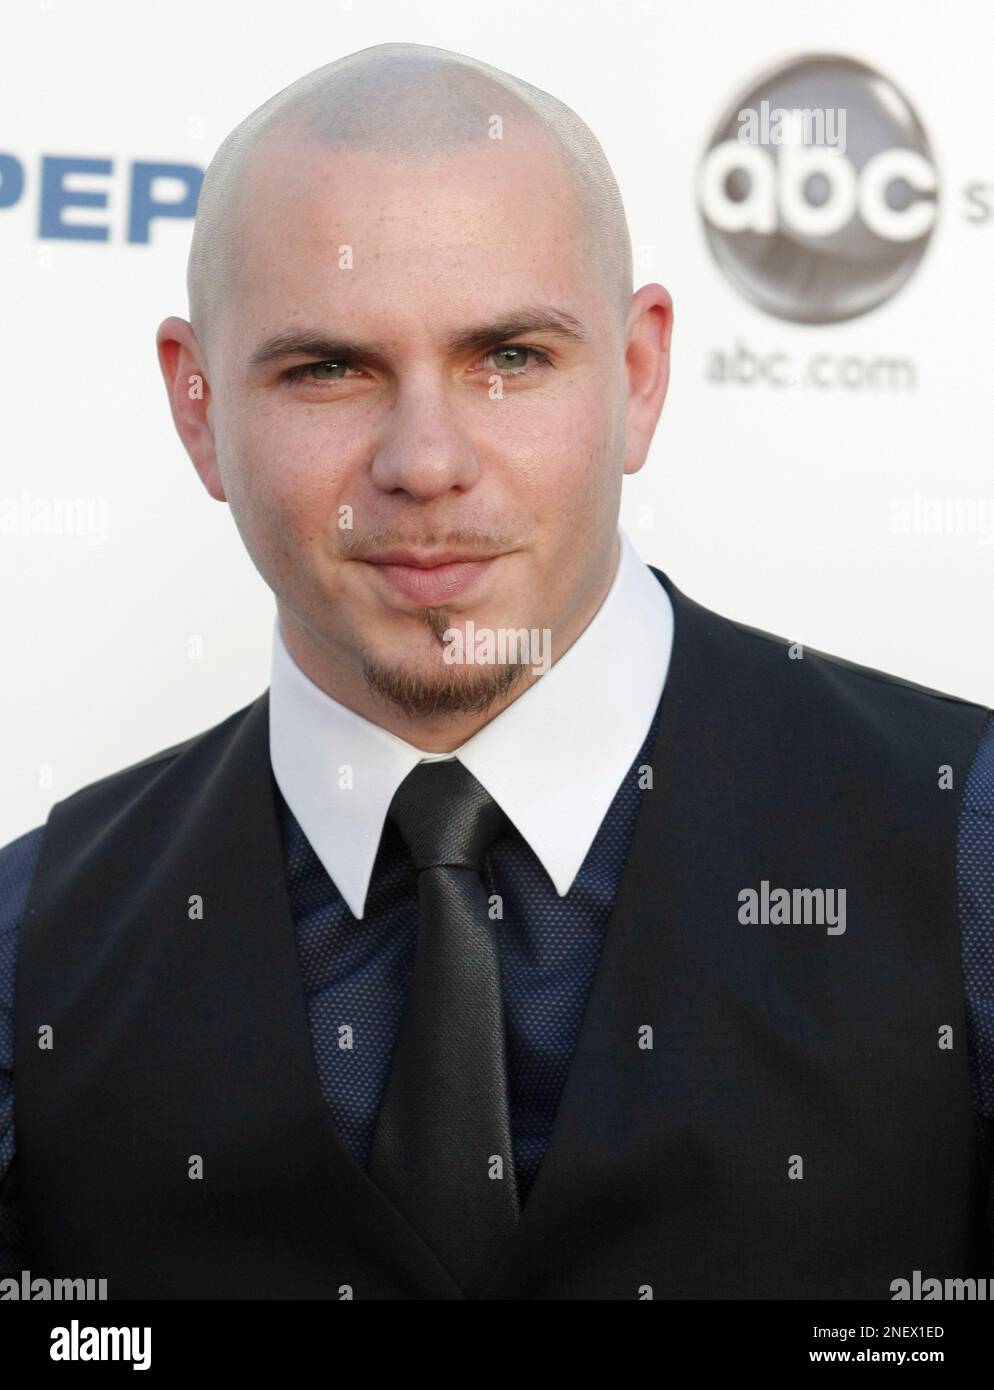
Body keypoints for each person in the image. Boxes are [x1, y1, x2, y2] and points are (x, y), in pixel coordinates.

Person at [1, 41, 991, 1301]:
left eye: (510, 357)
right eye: (328, 369)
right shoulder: (34, 945)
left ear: (636, 376)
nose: (424, 461)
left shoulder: (964, 847)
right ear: (197, 409)